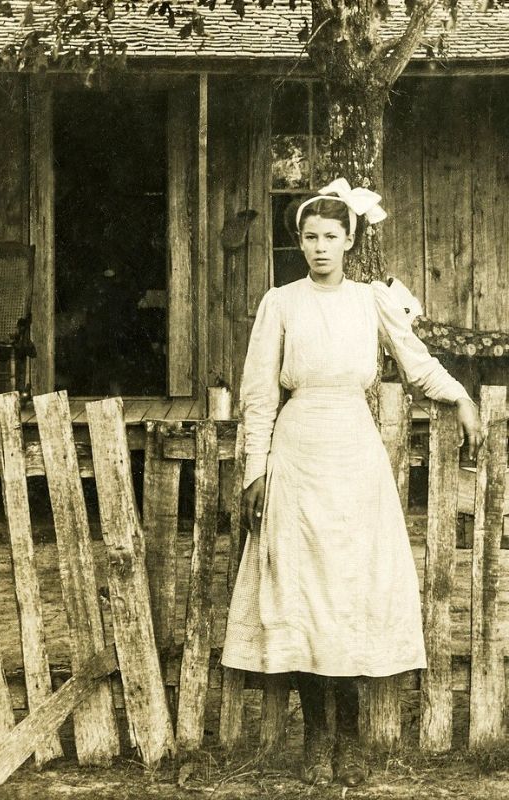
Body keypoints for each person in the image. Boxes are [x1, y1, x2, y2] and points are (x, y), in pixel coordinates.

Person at [221, 178, 483, 786]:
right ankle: (316, 738)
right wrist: (254, 472)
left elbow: (415, 363)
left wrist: (462, 397)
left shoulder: (372, 300)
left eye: (331, 237)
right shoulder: (280, 303)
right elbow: (258, 395)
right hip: (298, 452)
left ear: (350, 241)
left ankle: (353, 739)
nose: (319, 248)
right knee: (305, 589)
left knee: (352, 587)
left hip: (355, 455)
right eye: (310, 237)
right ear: (299, 243)